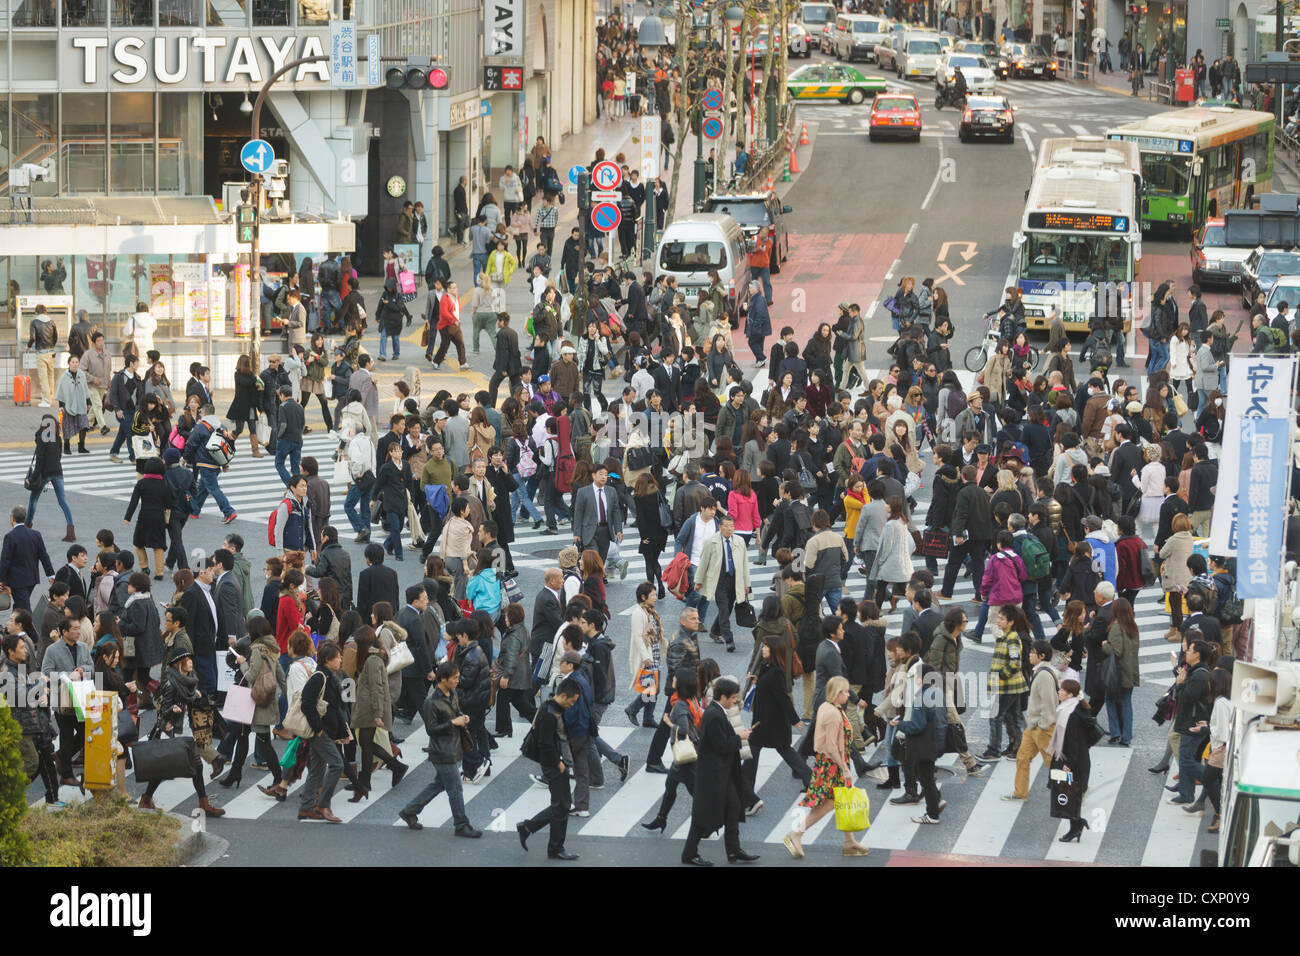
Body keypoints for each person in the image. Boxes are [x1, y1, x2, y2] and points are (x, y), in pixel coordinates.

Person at [137, 647, 226, 817]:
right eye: (187, 660)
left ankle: (203, 803)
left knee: (196, 767)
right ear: (179, 664)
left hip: (184, 728)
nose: (191, 662)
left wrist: (194, 697)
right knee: (165, 768)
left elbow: (187, 696)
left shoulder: (188, 680)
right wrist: (173, 710)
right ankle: (147, 798)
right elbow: (163, 710)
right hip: (174, 730)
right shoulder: (171, 684)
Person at [398, 660, 483, 837]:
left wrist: (462, 717)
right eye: (454, 678)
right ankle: (461, 824)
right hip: (442, 751)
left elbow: (456, 711)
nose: (457, 681)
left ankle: (409, 811)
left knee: (439, 784)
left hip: (454, 746)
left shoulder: (453, 694)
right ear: (443, 679)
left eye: (458, 677)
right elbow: (431, 730)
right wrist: (453, 722)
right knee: (455, 789)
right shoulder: (431, 702)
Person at [682, 676, 759, 866]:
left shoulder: (717, 711)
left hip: (721, 774)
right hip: (713, 775)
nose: (736, 701)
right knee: (703, 817)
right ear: (723, 696)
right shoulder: (715, 715)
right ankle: (689, 854)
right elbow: (720, 745)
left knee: (732, 808)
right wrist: (740, 737)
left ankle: (733, 850)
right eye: (733, 698)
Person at [516, 676, 582, 860]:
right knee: (562, 805)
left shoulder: (551, 705)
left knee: (562, 805)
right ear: (562, 695)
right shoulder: (549, 714)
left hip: (555, 763)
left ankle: (528, 828)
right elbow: (545, 743)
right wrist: (558, 763)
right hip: (553, 765)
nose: (572, 704)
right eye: (572, 700)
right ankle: (554, 848)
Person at [298, 641, 349, 823]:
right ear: (328, 659)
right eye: (338, 657)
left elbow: (335, 708)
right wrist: (318, 729)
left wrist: (343, 732)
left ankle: (306, 808)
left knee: (317, 770)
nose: (341, 660)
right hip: (320, 731)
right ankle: (323, 805)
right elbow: (306, 703)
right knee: (336, 765)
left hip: (327, 729)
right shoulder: (319, 677)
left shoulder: (330, 676)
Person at [1051, 678, 1100, 842]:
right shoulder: (1071, 708)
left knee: (1069, 793)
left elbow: (1073, 742)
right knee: (1067, 793)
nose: (1059, 692)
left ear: (1070, 694)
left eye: (1062, 690)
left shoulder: (1071, 714)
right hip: (1073, 758)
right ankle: (1077, 825)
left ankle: (1075, 827)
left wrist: (1067, 765)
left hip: (1072, 761)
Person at [0, 506, 55, 612]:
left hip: (16, 581)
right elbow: (44, 556)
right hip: (32, 579)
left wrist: (1, 579)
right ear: (24, 518)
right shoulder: (36, 535)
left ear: (12, 518)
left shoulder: (10, 536)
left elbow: (5, 561)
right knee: (20, 606)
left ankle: (29, 628)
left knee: (24, 609)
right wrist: (50, 574)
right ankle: (11, 628)